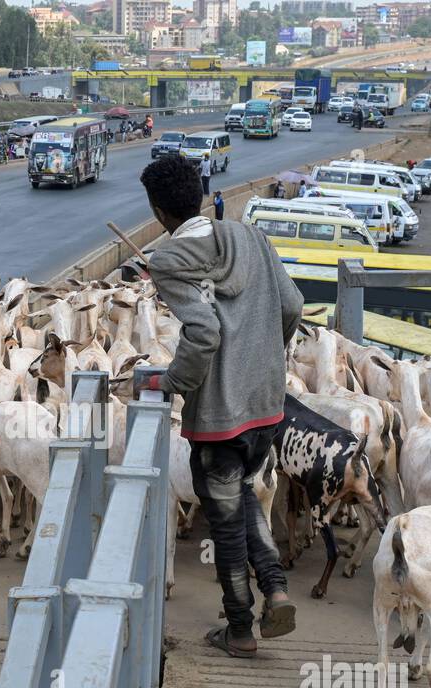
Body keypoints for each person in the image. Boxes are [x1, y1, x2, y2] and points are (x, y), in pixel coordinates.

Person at [134, 154, 304, 659]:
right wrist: (265, 359)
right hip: (267, 405)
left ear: (158, 211)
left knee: (225, 523)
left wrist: (173, 382)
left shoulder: (166, 260)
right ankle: (275, 588)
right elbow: (292, 306)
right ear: (205, 195)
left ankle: (240, 629)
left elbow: (203, 333)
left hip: (220, 415)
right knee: (241, 493)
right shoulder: (252, 237)